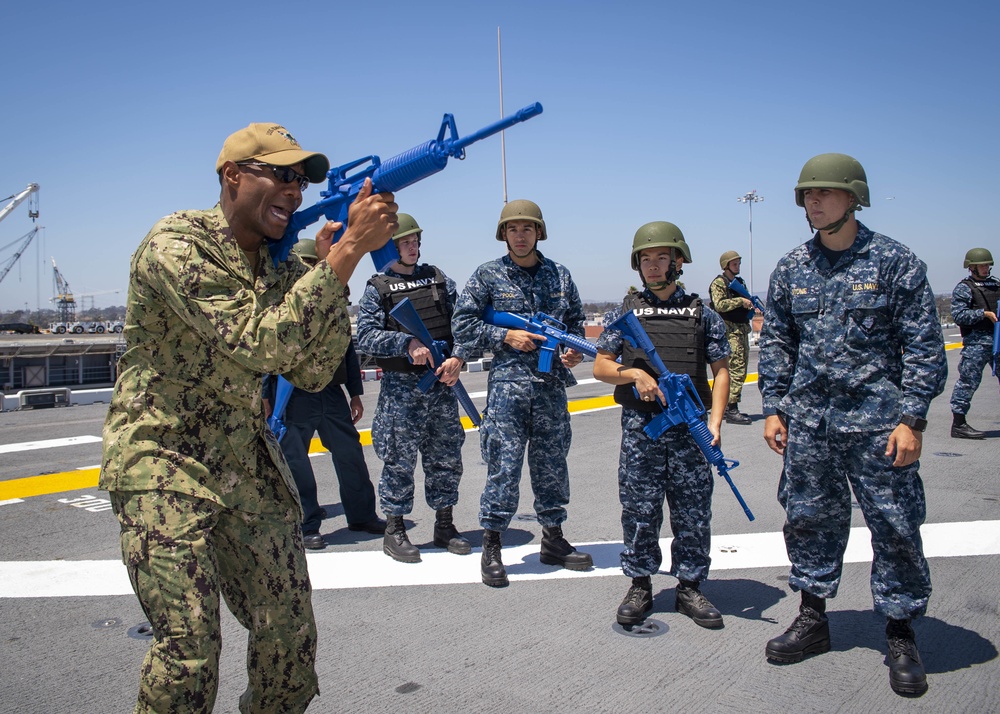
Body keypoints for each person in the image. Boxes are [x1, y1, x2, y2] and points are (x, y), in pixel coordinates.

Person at [100, 122, 398, 713]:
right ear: (233, 176)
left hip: (245, 460)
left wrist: (331, 273)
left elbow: (313, 372)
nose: (294, 190)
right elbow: (259, 343)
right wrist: (340, 257)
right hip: (163, 461)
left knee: (289, 637)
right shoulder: (178, 244)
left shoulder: (284, 267)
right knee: (189, 649)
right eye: (280, 174)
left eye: (300, 181)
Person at [758, 153, 946, 697]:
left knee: (895, 526)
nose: (812, 202)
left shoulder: (894, 262)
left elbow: (923, 345)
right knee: (807, 519)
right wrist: (774, 406)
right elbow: (777, 343)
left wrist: (912, 419)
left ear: (853, 198)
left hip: (878, 424)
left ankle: (901, 630)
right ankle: (813, 615)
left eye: (824, 193)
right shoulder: (793, 267)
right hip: (810, 424)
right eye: (806, 195)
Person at [593, 222, 731, 628]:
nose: (653, 267)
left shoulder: (702, 314)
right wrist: (633, 375)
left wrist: (716, 424)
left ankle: (690, 586)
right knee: (639, 509)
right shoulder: (627, 312)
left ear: (679, 262)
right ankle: (640, 584)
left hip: (690, 430)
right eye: (646, 259)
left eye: (661, 258)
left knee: (692, 511)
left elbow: (721, 371)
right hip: (642, 428)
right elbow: (601, 365)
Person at [452, 199, 593, 588]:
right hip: (507, 391)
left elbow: (576, 321)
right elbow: (462, 325)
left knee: (552, 466)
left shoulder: (560, 276)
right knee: (504, 467)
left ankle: (553, 538)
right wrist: (504, 335)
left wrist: (574, 348)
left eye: (527, 228)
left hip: (550, 390)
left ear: (538, 232)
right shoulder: (487, 276)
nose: (520, 235)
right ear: (504, 234)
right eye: (513, 229)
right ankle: (492, 545)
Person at [356, 213, 471, 563]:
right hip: (401, 392)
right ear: (388, 246)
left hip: (441, 386)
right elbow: (366, 336)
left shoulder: (439, 280)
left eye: (415, 240)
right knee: (398, 461)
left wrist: (459, 358)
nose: (412, 246)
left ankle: (445, 524)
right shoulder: (377, 288)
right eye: (404, 241)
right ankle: (395, 528)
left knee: (446, 457)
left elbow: (465, 323)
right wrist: (405, 343)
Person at [264, 239, 386, 550]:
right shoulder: (281, 306)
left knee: (349, 453)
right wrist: (266, 396)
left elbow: (346, 349)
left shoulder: (333, 301)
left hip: (331, 392)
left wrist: (355, 394)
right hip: (293, 394)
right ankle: (305, 525)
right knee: (294, 461)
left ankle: (361, 515)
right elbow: (267, 353)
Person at [948, 248, 999, 439]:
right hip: (977, 343)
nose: (986, 268)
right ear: (972, 267)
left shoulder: (996, 284)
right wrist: (983, 314)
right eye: (982, 265)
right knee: (967, 383)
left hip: (997, 340)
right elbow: (959, 315)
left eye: (987, 265)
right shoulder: (965, 288)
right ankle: (959, 424)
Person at [709, 250, 756, 425]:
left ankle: (731, 404)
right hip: (729, 332)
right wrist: (740, 302)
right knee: (734, 369)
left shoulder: (739, 283)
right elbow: (719, 305)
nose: (737, 267)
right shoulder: (719, 283)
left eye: (738, 263)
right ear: (726, 265)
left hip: (741, 329)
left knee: (741, 368)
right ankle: (731, 408)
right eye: (734, 264)